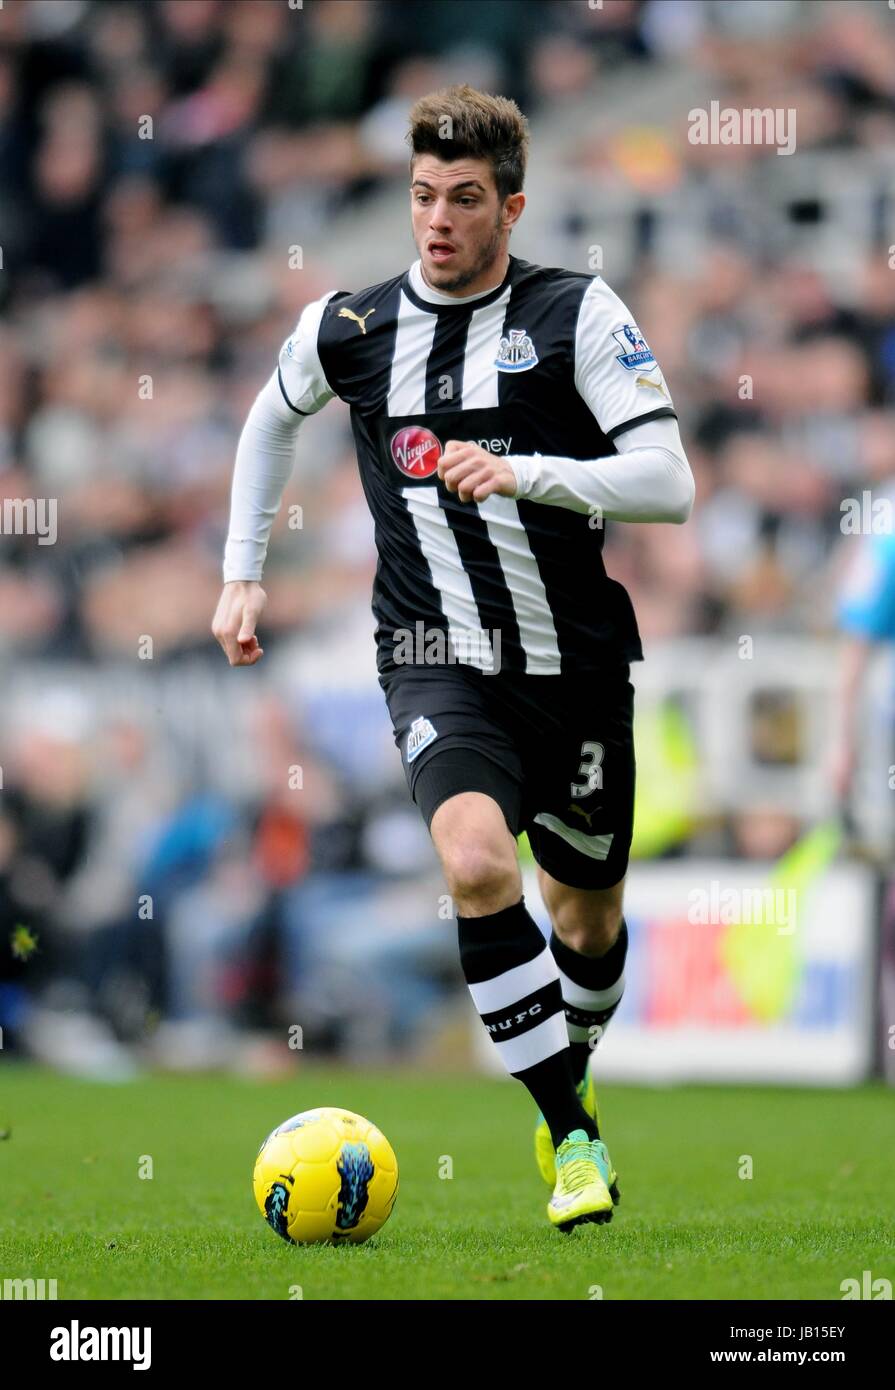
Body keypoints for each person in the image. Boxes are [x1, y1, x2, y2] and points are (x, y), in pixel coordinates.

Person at [213, 85, 695, 1231]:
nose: (436, 218)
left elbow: (669, 482)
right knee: (476, 865)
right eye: (422, 195)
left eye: (464, 199)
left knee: (584, 920)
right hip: (432, 655)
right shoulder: (352, 327)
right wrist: (242, 569)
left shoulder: (575, 314)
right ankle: (573, 1138)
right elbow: (270, 417)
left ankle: (561, 1080)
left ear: (511, 207)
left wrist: (525, 468)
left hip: (571, 668)